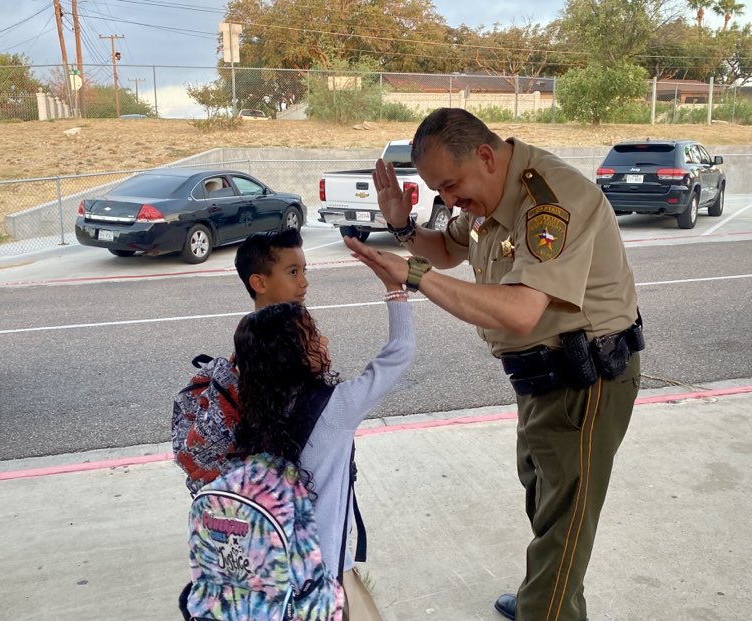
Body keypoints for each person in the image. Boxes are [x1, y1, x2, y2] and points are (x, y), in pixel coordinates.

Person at [343, 107, 644, 621]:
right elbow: (447, 250)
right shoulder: (489, 193)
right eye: (439, 191)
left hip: (585, 380)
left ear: (485, 155)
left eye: (450, 186)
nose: (448, 201)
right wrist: (400, 224)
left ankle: (545, 609)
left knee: (566, 521)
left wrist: (411, 274)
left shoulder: (548, 202)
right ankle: (548, 598)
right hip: (541, 379)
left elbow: (522, 312)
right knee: (545, 500)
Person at [231, 272, 415, 620]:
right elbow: (400, 351)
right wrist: (395, 290)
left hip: (266, 570)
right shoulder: (336, 409)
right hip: (319, 579)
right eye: (313, 337)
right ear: (293, 355)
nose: (324, 340)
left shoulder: (253, 411)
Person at [172, 228, 310, 494]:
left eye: (304, 271)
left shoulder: (253, 335)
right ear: (259, 283)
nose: (304, 283)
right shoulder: (270, 348)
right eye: (293, 272)